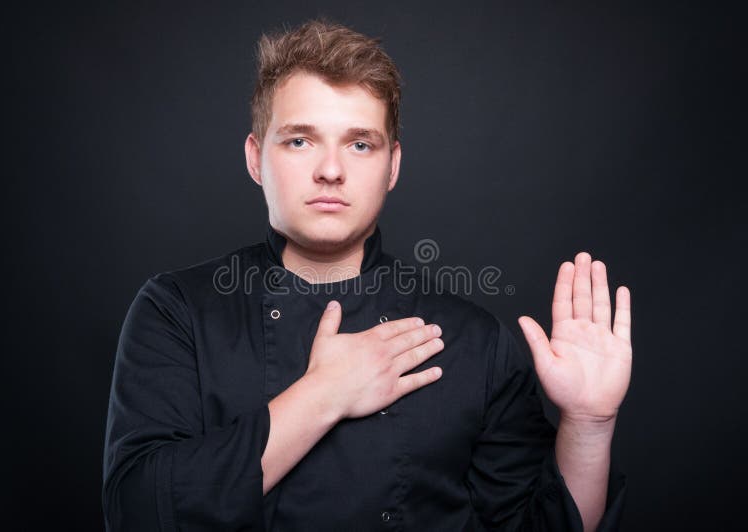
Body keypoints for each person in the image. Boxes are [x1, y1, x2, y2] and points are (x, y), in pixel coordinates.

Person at [102, 18, 629, 531]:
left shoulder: (471, 341)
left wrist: (588, 424)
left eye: (359, 144)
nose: (330, 169)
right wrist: (326, 393)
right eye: (299, 141)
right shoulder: (177, 312)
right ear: (256, 158)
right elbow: (138, 511)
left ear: (392, 166)